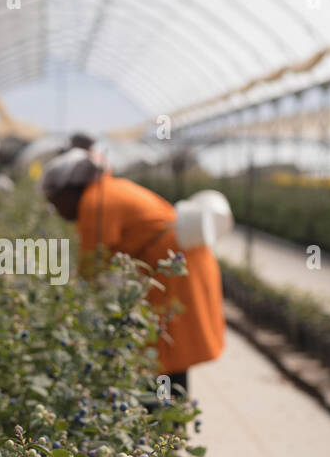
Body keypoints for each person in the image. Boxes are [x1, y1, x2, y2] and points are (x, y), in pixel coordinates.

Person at [41, 148, 224, 391]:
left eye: (54, 202)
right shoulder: (108, 189)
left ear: (67, 191)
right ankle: (170, 421)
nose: (58, 212)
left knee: (164, 353)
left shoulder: (94, 202)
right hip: (182, 262)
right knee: (170, 352)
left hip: (173, 271)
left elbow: (92, 268)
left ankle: (163, 422)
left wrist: (68, 309)